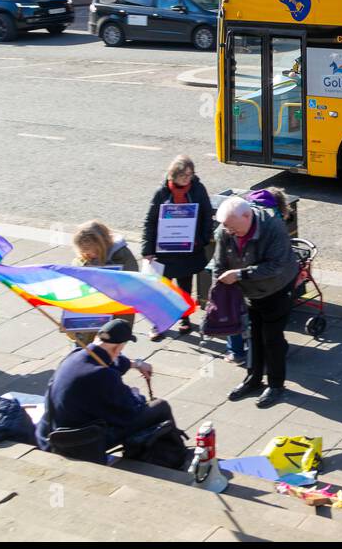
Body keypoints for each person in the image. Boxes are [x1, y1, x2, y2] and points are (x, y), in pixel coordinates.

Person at [35, 318, 172, 461]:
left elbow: (109, 362)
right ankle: (169, 453)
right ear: (118, 348)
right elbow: (130, 411)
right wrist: (135, 394)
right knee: (160, 407)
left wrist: (136, 364)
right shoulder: (104, 375)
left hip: (48, 433)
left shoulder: (75, 355)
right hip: (78, 443)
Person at [210, 196, 298, 408]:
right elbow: (219, 262)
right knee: (253, 336)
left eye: (233, 228)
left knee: (272, 338)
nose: (230, 232)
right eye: (227, 228)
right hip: (250, 292)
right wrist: (217, 288)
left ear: (248, 216)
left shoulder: (272, 226)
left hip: (276, 288)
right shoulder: (226, 228)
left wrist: (240, 275)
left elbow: (276, 266)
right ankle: (254, 379)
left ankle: (276, 384)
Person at [141, 155, 214, 342]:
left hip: (188, 250)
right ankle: (158, 322)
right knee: (162, 289)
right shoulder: (162, 193)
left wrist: (203, 239)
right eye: (183, 175)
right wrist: (147, 250)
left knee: (184, 288)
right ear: (174, 175)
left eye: (190, 174)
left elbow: (207, 215)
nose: (187, 178)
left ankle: (185, 319)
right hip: (164, 250)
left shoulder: (198, 189)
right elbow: (150, 221)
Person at [68, 221, 138, 348]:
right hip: (90, 316)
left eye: (90, 252)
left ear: (101, 245)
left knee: (109, 350)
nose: (86, 255)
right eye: (83, 252)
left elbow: (133, 286)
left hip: (115, 316)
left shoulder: (123, 256)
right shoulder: (83, 258)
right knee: (82, 348)